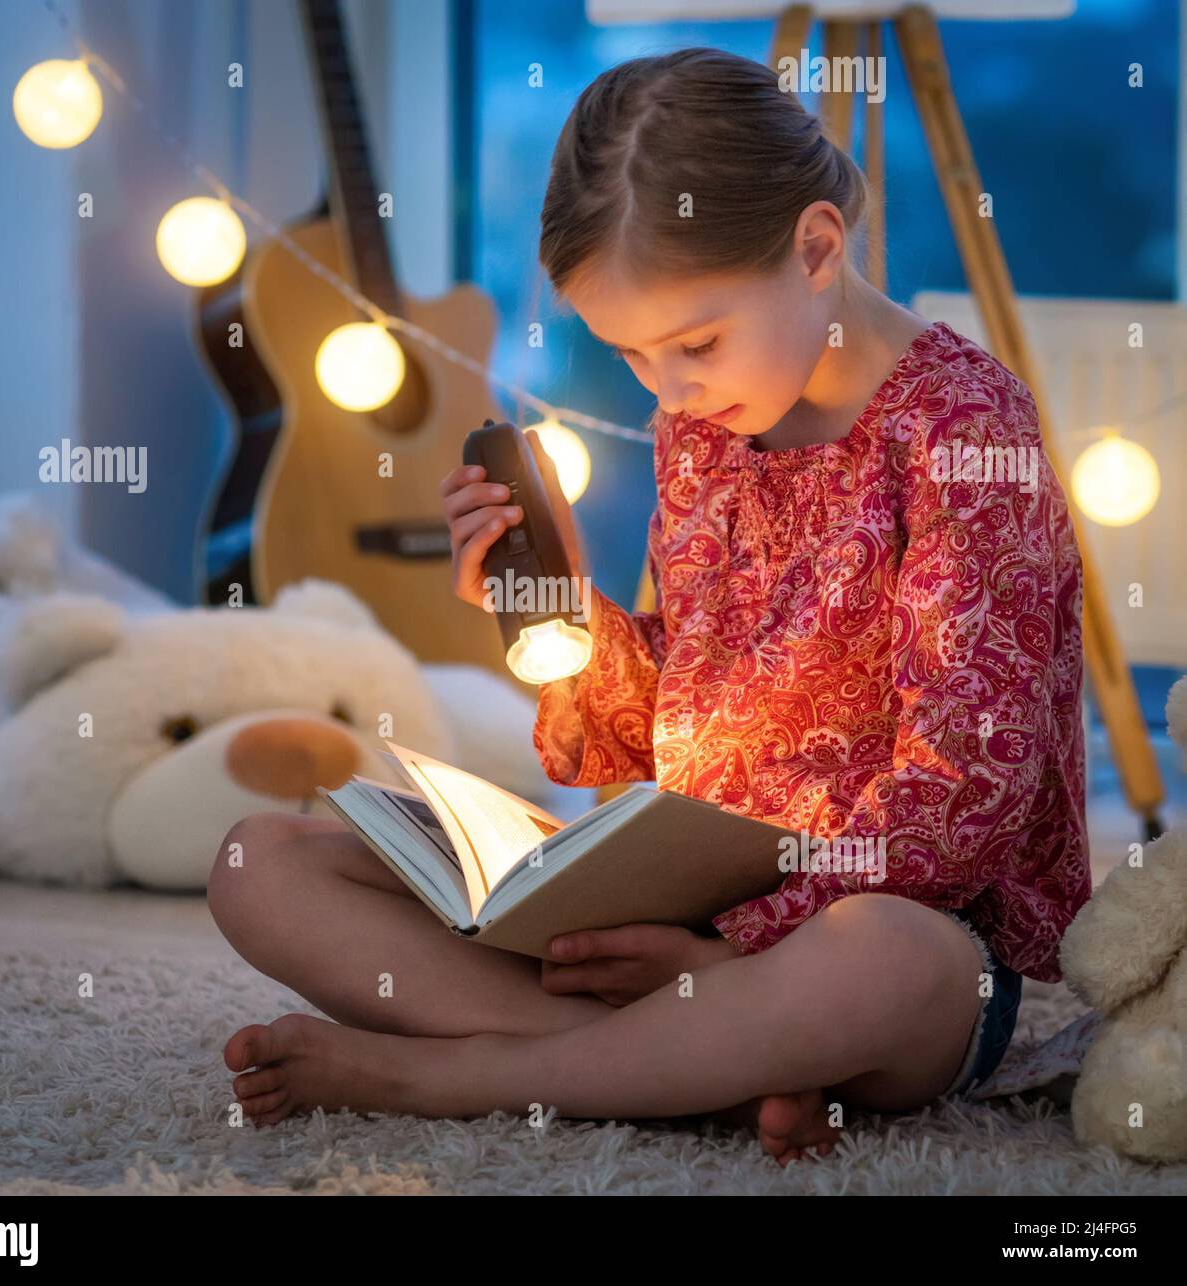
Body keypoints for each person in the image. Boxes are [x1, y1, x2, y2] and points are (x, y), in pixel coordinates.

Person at [210, 47, 1089, 1167]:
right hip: (678, 915)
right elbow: (673, 713)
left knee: (887, 960)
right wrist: (562, 616)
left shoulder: (966, 429)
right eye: (627, 353)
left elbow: (968, 794)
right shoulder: (705, 425)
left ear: (816, 249)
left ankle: (477, 1072)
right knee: (263, 862)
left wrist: (732, 951)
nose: (668, 391)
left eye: (695, 343)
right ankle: (703, 1068)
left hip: (887, 928)